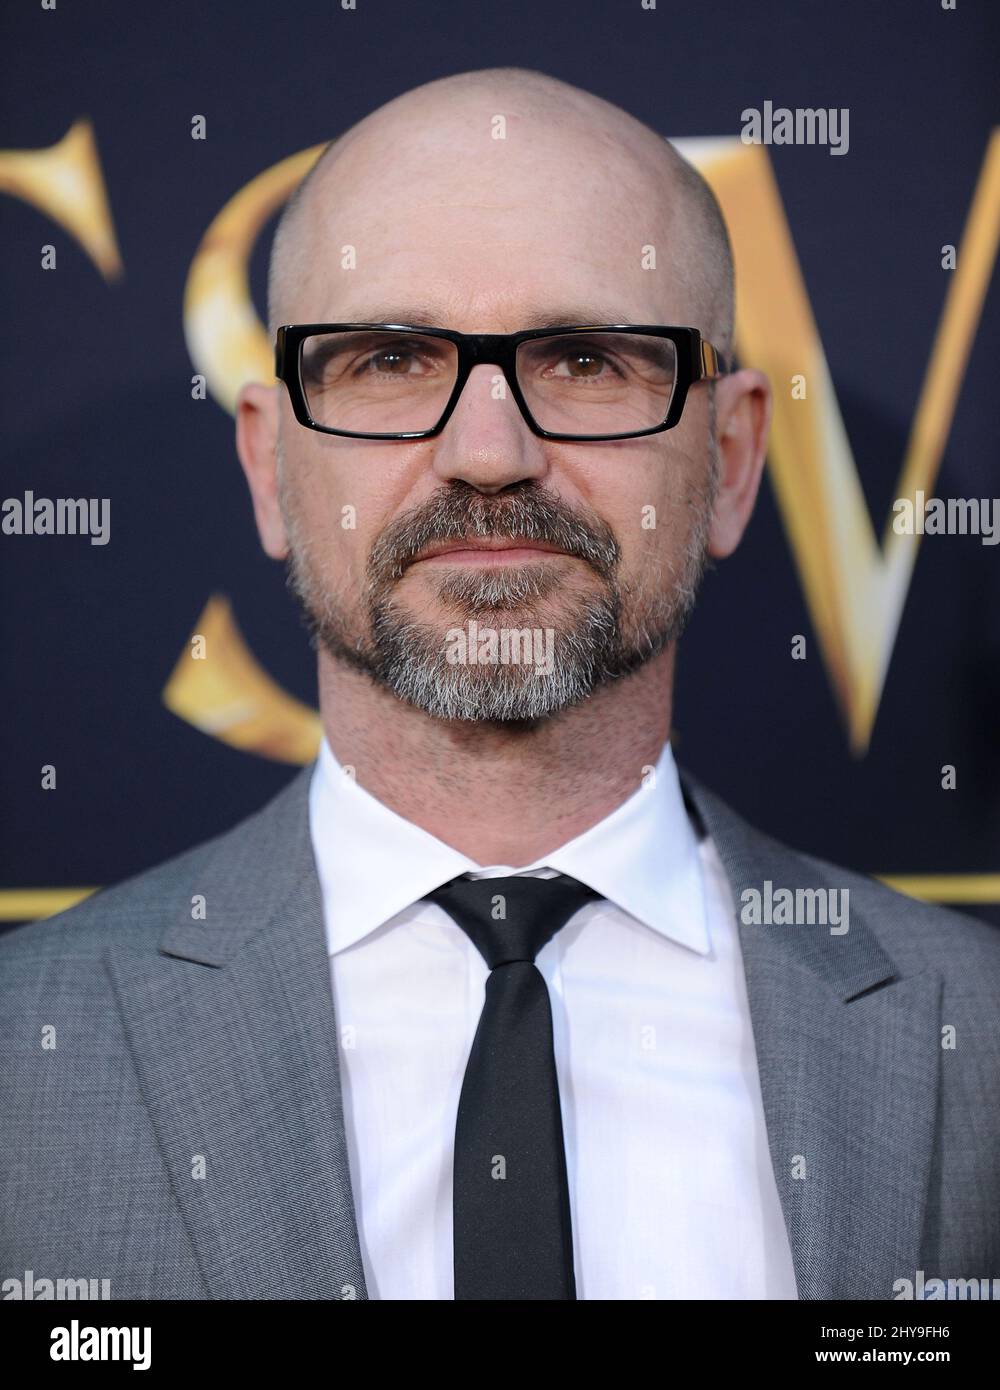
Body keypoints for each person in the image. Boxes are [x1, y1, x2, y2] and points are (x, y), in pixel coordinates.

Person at [2, 67, 998, 1303]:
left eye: (584, 359)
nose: (488, 453)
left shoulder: (978, 1036)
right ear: (268, 466)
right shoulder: (20, 1057)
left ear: (733, 457)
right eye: (390, 359)